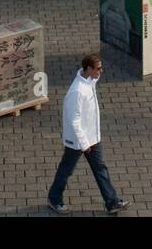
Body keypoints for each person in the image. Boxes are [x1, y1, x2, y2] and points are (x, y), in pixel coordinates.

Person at [47, 54, 129, 215]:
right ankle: (54, 199)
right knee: (66, 170)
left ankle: (111, 202)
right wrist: (85, 144)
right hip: (78, 141)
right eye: (98, 68)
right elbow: (74, 121)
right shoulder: (77, 91)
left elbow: (93, 81)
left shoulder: (89, 81)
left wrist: (91, 140)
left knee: (100, 169)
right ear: (89, 69)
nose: (102, 71)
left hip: (92, 138)